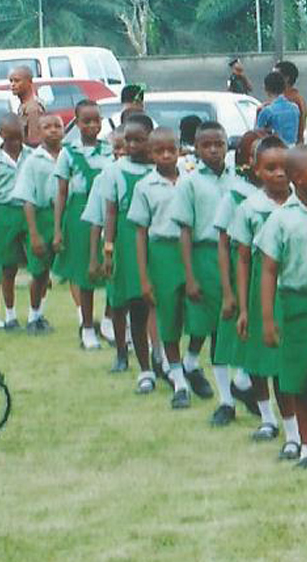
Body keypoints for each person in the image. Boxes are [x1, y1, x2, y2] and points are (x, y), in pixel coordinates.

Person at [258, 144, 307, 468]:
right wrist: (267, 318)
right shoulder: (281, 220)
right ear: (298, 179)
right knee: (302, 377)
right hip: (298, 303)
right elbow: (268, 269)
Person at [231, 136, 298, 455]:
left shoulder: (303, 203)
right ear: (257, 171)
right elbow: (242, 258)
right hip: (261, 287)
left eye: (285, 167)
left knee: (288, 362)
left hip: (293, 287)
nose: (279, 174)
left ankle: (294, 429)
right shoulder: (250, 208)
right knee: (259, 357)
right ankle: (267, 417)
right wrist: (243, 306)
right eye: (270, 168)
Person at [132, 127, 205, 409]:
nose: (165, 155)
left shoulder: (191, 180)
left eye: (170, 150)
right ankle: (178, 379)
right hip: (162, 251)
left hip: (192, 249)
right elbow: (140, 232)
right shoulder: (144, 187)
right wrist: (144, 276)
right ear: (150, 154)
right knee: (169, 315)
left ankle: (191, 360)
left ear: (180, 150)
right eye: (158, 151)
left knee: (201, 311)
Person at [168, 121, 235, 423]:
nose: (213, 150)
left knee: (228, 324)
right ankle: (226, 398)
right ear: (196, 148)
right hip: (204, 254)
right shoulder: (190, 183)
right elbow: (184, 230)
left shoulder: (238, 179)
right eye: (206, 145)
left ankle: (194, 364)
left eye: (218, 144)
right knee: (207, 322)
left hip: (237, 256)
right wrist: (190, 275)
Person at [88, 112, 157, 390]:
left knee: (149, 299)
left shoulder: (158, 169)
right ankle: (120, 351)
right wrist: (107, 249)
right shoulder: (114, 171)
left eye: (138, 140)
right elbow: (111, 212)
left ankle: (156, 353)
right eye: (127, 140)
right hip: (125, 239)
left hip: (152, 237)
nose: (132, 146)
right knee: (119, 300)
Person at [212, 129, 269, 427]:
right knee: (226, 335)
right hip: (240, 269)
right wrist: (228, 290)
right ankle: (225, 399)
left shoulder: (281, 194)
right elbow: (223, 242)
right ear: (248, 161)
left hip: (267, 273)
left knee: (257, 334)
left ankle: (246, 384)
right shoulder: (235, 195)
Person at [53, 100, 111, 350]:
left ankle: (109, 321)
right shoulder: (68, 153)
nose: (93, 125)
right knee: (85, 271)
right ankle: (87, 327)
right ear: (76, 123)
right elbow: (62, 193)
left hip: (109, 213)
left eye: (97, 120)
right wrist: (57, 228)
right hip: (79, 215)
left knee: (112, 269)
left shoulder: (109, 151)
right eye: (86, 121)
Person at [9, 113, 65, 336]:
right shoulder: (33, 161)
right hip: (41, 218)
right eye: (47, 127)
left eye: (57, 126)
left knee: (70, 271)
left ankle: (83, 319)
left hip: (65, 217)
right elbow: (27, 198)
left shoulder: (69, 156)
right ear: (38, 132)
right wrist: (33, 233)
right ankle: (34, 316)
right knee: (40, 272)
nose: (53, 130)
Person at [0, 114, 29, 331]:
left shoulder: (32, 156)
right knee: (8, 268)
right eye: (10, 139)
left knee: (38, 266)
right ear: (1, 136)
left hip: (28, 212)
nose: (15, 144)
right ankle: (9, 315)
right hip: (4, 214)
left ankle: (36, 314)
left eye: (19, 138)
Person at [255, 71, 301, 146]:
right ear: (284, 87)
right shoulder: (295, 108)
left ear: (266, 89)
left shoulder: (267, 111)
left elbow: (257, 134)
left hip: (275, 149)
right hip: (293, 148)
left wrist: (258, 112)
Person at [9, 66, 46, 147]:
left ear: (29, 82)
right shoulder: (23, 106)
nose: (13, 84)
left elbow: (34, 141)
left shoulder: (33, 108)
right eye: (11, 81)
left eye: (17, 81)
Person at [274, 61, 307, 143]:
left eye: (276, 75)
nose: (272, 78)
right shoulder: (297, 98)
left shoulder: (291, 100)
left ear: (286, 78)